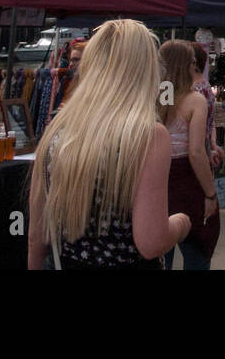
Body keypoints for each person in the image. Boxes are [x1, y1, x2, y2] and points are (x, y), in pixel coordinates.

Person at [29, 19, 190, 269]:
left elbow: (37, 232)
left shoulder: (59, 129)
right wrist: (180, 224)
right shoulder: (147, 135)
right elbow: (151, 241)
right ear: (145, 69)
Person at [158, 39, 220, 269]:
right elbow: (195, 152)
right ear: (185, 64)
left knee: (163, 252)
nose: (196, 68)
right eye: (193, 63)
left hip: (159, 177)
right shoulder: (195, 100)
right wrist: (210, 193)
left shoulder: (159, 95)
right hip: (187, 181)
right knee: (197, 248)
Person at [191, 43, 224, 170]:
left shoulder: (196, 90)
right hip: (205, 151)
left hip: (197, 156)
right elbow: (210, 123)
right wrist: (213, 144)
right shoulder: (205, 86)